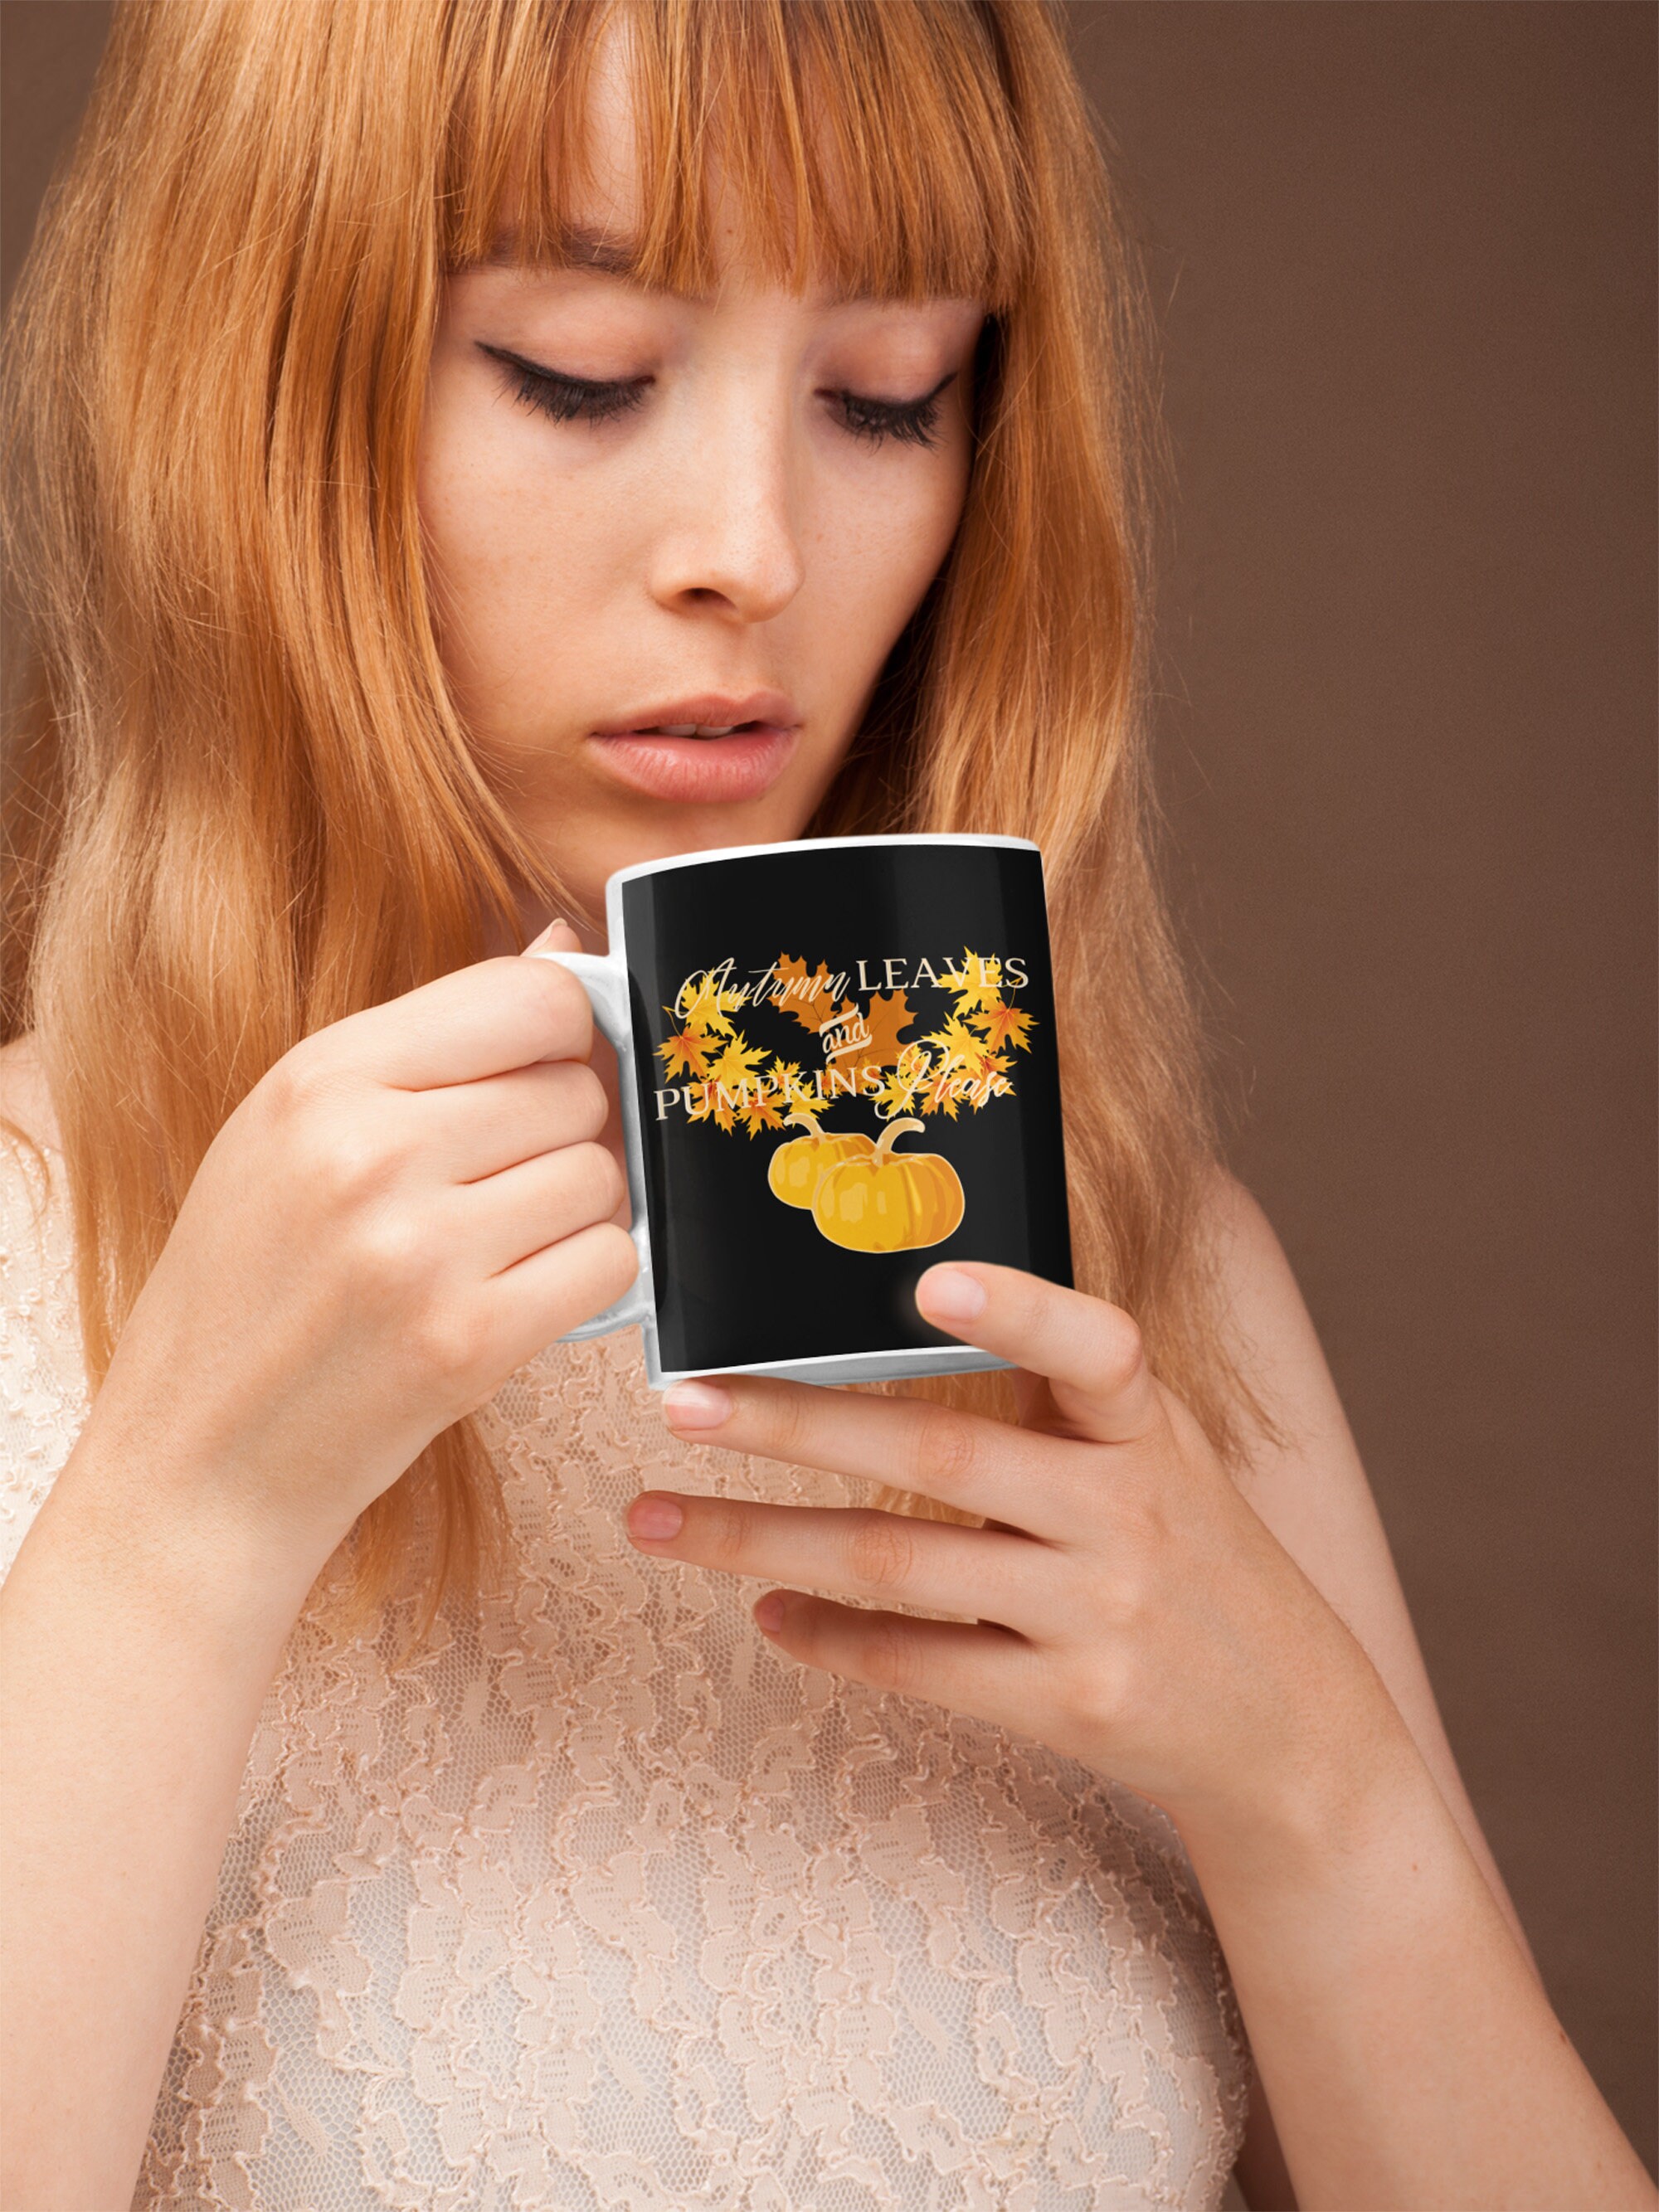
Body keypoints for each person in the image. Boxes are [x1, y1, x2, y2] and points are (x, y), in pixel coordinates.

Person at [0, 2, 1650, 2207]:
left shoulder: (1131, 1272)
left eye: (890, 392)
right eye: (580, 372)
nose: (754, 551)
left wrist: (1323, 1796)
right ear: (249, 386)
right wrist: (176, 1536)